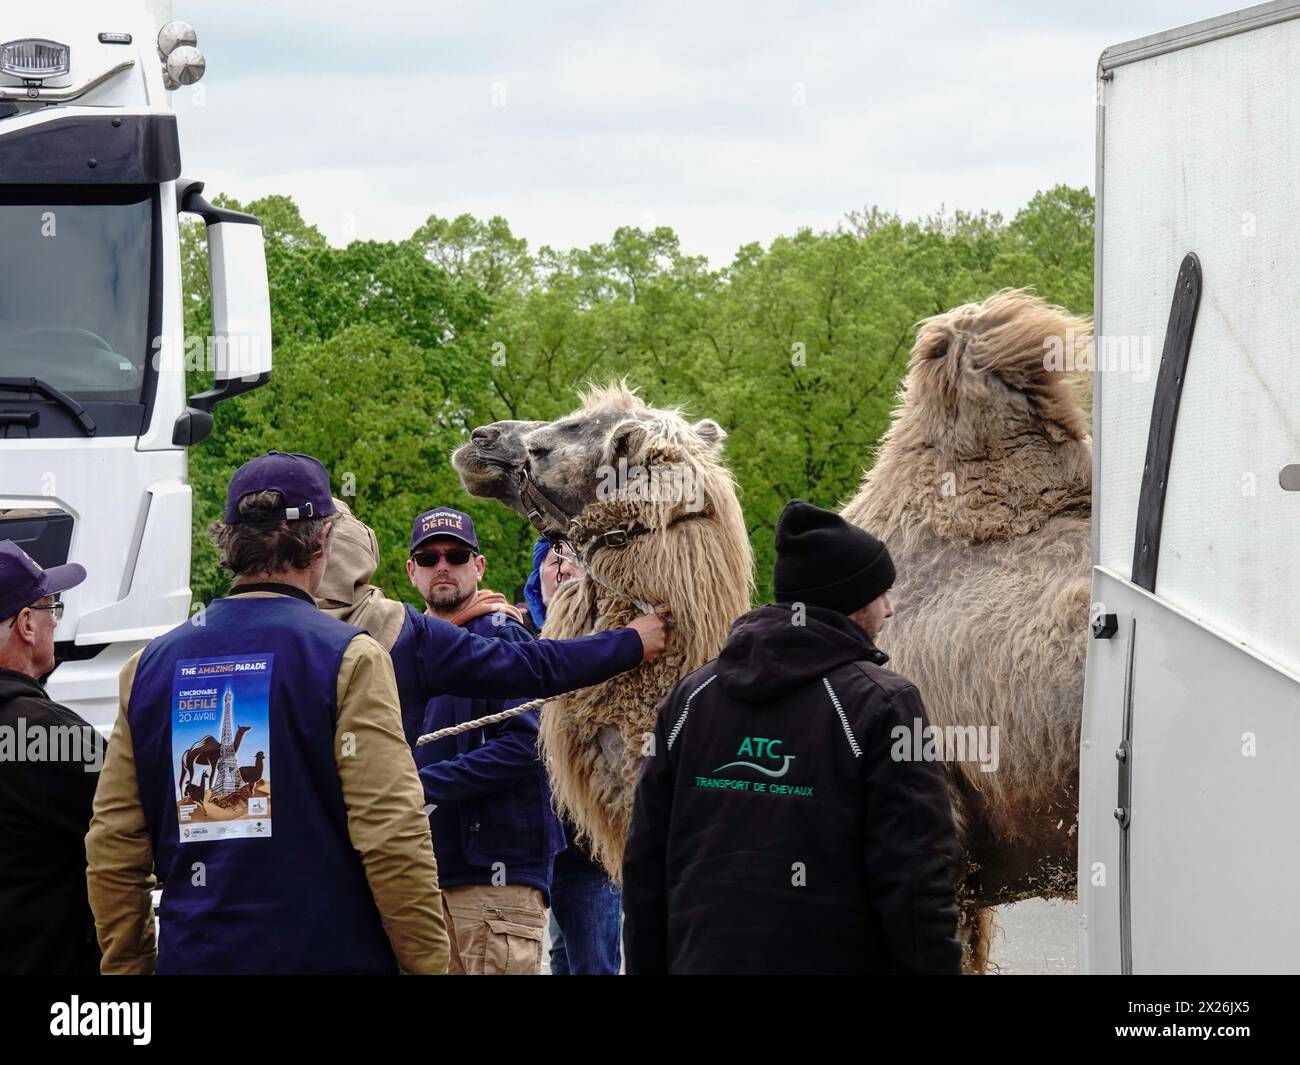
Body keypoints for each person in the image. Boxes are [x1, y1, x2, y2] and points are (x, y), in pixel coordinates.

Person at [86, 452, 449, 975]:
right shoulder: (351, 656)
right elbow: (393, 836)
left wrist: (129, 970)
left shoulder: (148, 667)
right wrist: (428, 966)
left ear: (228, 543)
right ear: (322, 544)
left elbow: (113, 848)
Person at [622, 499, 963, 975]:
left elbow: (644, 866)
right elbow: (915, 876)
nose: (891, 607)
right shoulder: (883, 703)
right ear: (851, 601)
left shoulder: (692, 696)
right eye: (881, 592)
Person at [406, 509, 561, 975]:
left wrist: (420, 784)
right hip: (425, 875)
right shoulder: (406, 648)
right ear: (412, 571)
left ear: (479, 566)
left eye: (455, 554)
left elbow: (529, 745)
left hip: (498, 875)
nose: (442, 566)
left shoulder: (503, 636)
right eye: (428, 556)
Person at [0, 541, 104, 974]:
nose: (54, 623)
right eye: (51, 609)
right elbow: (137, 833)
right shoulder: (53, 733)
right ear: (26, 623)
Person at [522, 536, 624, 976]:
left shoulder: (606, 641)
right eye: (551, 561)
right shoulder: (512, 636)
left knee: (592, 962)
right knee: (557, 956)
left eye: (572, 561)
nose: (561, 569)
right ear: (535, 576)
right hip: (531, 843)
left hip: (587, 847)